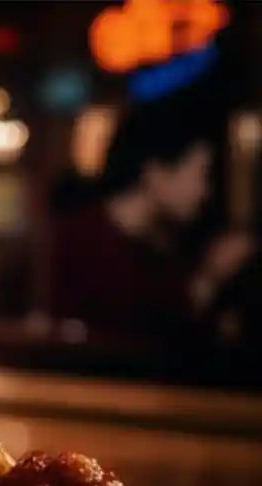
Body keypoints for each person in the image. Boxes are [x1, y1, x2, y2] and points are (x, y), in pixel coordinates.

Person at [49, 114, 212, 335]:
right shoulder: (85, 241)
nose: (204, 192)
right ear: (156, 174)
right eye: (200, 174)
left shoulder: (162, 245)